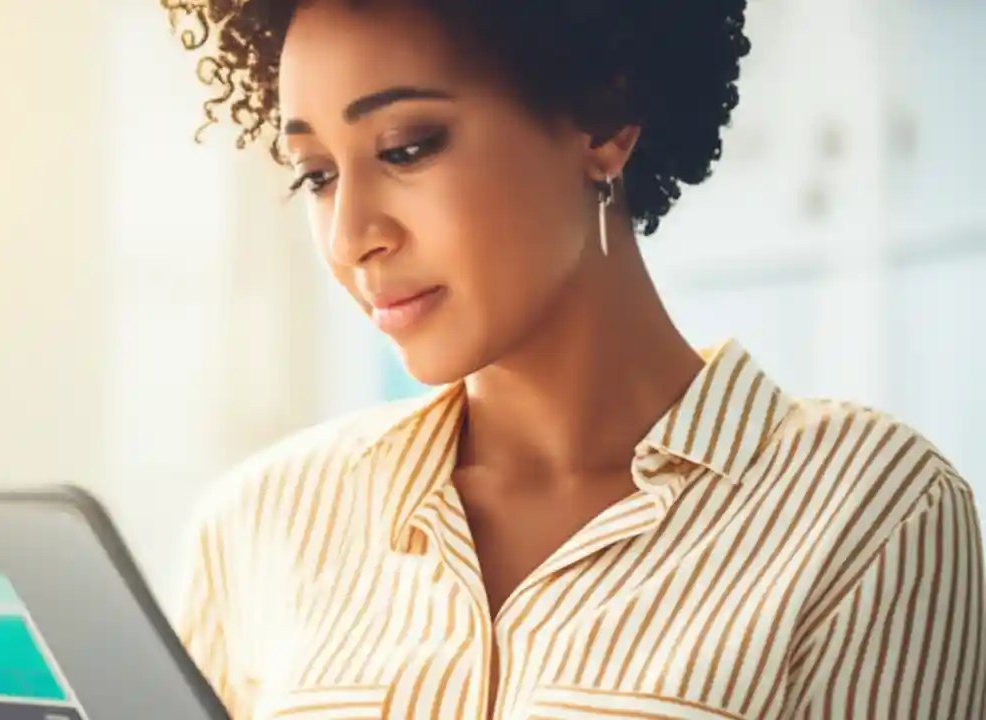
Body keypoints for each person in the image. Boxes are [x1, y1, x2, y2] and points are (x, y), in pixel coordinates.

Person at [160, 1, 985, 718]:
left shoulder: (871, 510)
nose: (352, 238)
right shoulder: (260, 523)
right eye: (317, 175)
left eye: (408, 147)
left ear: (601, 120)